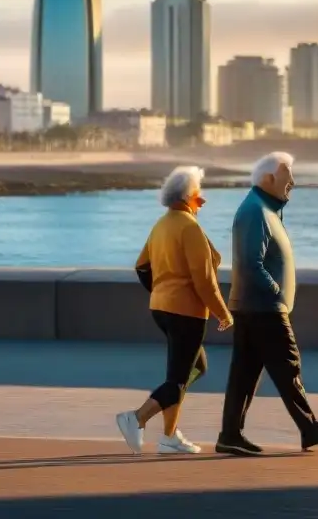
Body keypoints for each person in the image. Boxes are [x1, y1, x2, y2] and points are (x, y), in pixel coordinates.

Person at [215, 152, 318, 456]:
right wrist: (277, 292)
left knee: (245, 374)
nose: (293, 183)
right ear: (268, 179)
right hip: (263, 308)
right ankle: (310, 429)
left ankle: (230, 435)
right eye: (288, 176)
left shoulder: (265, 209)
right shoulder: (255, 212)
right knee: (288, 365)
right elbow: (250, 262)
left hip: (258, 306)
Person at [116, 165, 233, 455]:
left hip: (162, 309)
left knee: (194, 368)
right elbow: (204, 280)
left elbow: (142, 266)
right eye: (198, 196)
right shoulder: (189, 228)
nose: (202, 201)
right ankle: (137, 418)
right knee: (180, 377)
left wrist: (161, 291)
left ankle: (169, 436)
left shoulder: (161, 224)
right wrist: (223, 313)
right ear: (186, 198)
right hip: (186, 313)